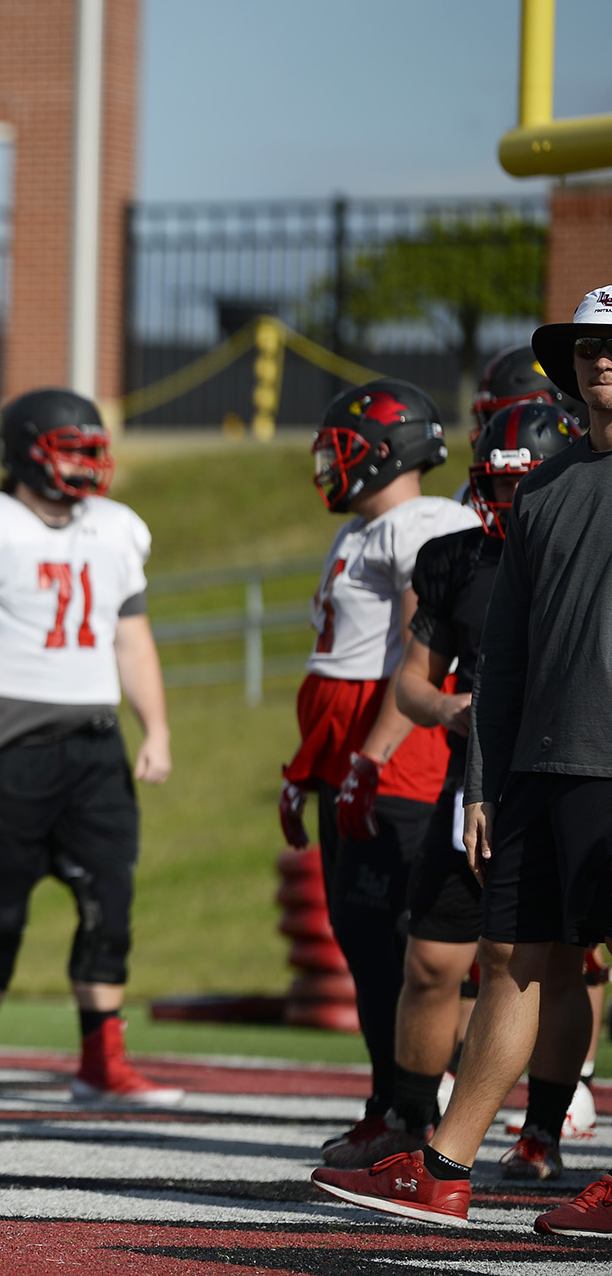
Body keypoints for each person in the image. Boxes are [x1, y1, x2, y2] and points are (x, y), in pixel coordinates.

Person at [311, 287, 612, 1237]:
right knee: (515, 966)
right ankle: (442, 1169)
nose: (602, 359)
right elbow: (504, 660)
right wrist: (481, 779)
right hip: (536, 772)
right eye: (588, 346)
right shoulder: (549, 493)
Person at [0, 388, 178, 1105]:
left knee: (108, 899)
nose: (89, 464)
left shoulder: (117, 529)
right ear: (28, 449)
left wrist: (156, 728)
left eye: (94, 449)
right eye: (73, 449)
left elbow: (133, 639)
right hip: (3, 740)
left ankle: (102, 1059)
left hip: (94, 740)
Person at [370, 401, 592, 1179]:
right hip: (499, 774)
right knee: (455, 959)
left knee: (559, 963)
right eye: (493, 488)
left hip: (575, 766)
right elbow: (429, 681)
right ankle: (421, 1137)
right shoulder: (463, 552)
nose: (503, 504)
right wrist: (462, 735)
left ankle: (543, 1128)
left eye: (517, 485)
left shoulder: (575, 518)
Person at [278, 379, 478, 1167]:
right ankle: (392, 1104)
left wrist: (370, 755)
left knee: (407, 945)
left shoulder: (423, 524)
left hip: (396, 758)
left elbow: (415, 658)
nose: (331, 464)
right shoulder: (364, 531)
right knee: (365, 945)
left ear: (385, 449)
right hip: (352, 755)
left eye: (344, 448)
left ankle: (414, 1110)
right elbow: (340, 662)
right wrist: (313, 764)